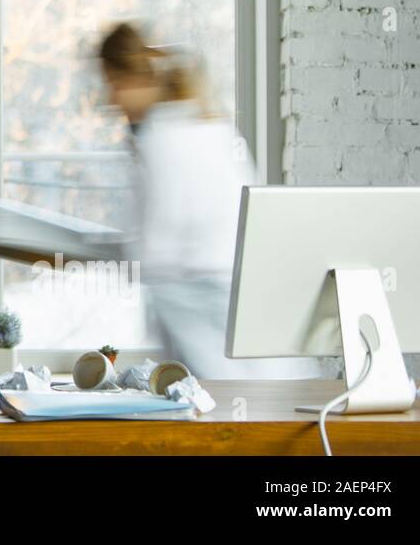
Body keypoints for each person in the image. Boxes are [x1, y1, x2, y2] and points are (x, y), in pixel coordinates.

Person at [98, 22, 317, 378]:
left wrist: (86, 253)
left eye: (114, 86)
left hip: (200, 300)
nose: (111, 101)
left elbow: (154, 249)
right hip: (241, 294)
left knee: (221, 409)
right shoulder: (210, 125)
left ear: (134, 80)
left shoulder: (162, 140)